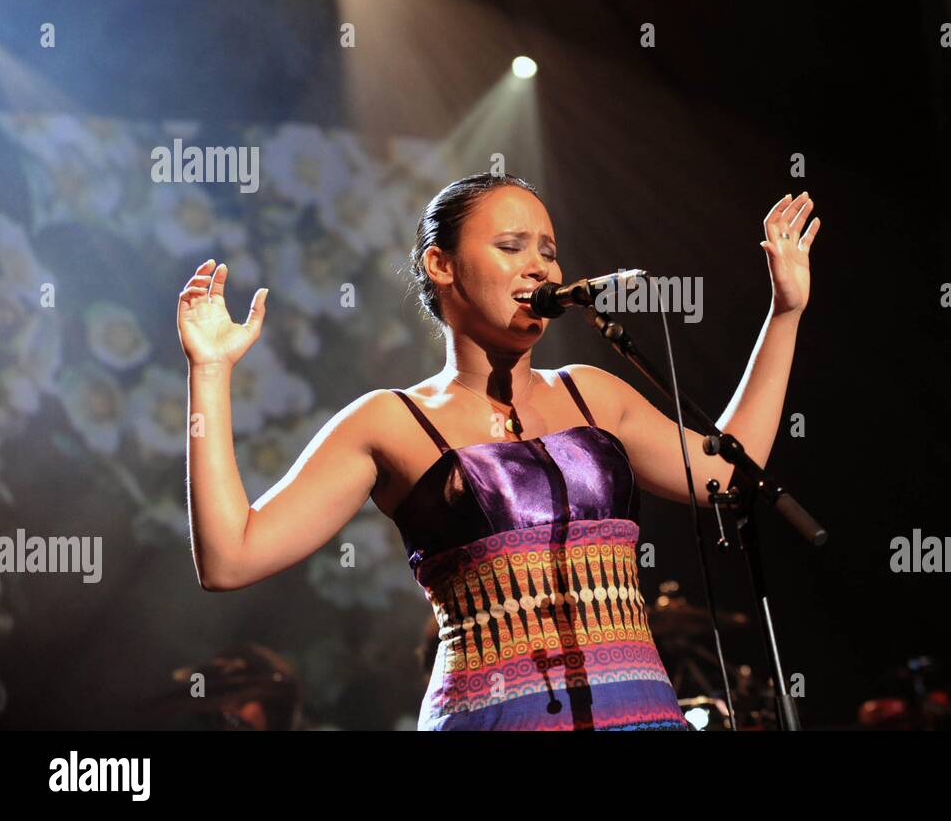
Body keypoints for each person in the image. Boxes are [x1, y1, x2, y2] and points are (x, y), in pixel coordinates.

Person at [177, 172, 820, 730]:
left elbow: (726, 474)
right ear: (442, 264)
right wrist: (210, 372)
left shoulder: (595, 393)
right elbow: (231, 558)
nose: (540, 267)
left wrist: (784, 313)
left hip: (643, 715)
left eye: (548, 251)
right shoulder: (391, 421)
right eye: (511, 247)